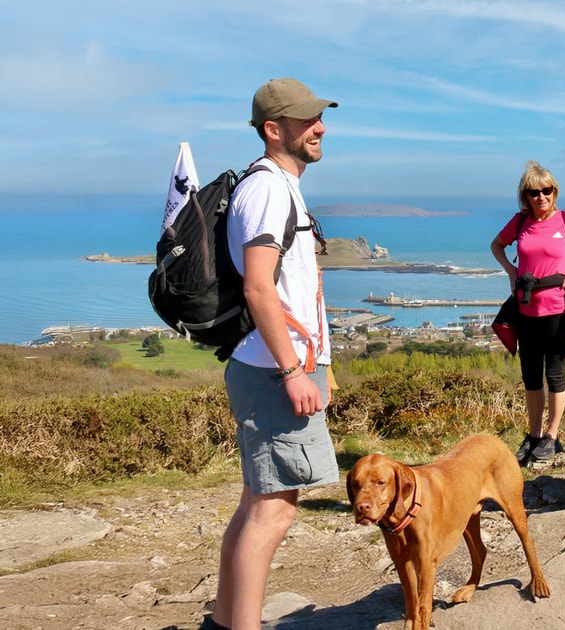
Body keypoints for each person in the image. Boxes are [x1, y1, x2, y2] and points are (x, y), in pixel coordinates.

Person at [204, 78, 339, 630]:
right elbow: (260, 287)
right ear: (272, 129)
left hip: (273, 364)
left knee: (256, 502)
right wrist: (292, 371)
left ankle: (225, 618)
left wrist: (321, 366)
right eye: (308, 120)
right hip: (270, 368)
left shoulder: (281, 185)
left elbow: (295, 289)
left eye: (319, 118)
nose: (320, 127)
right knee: (273, 511)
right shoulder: (266, 190)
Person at [491, 161, 565, 465]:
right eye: (534, 192)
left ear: (554, 192)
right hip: (526, 307)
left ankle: (552, 436)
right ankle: (532, 437)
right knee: (530, 376)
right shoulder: (520, 222)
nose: (541, 196)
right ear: (526, 196)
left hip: (558, 307)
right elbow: (497, 245)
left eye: (547, 190)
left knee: (554, 374)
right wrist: (511, 270)